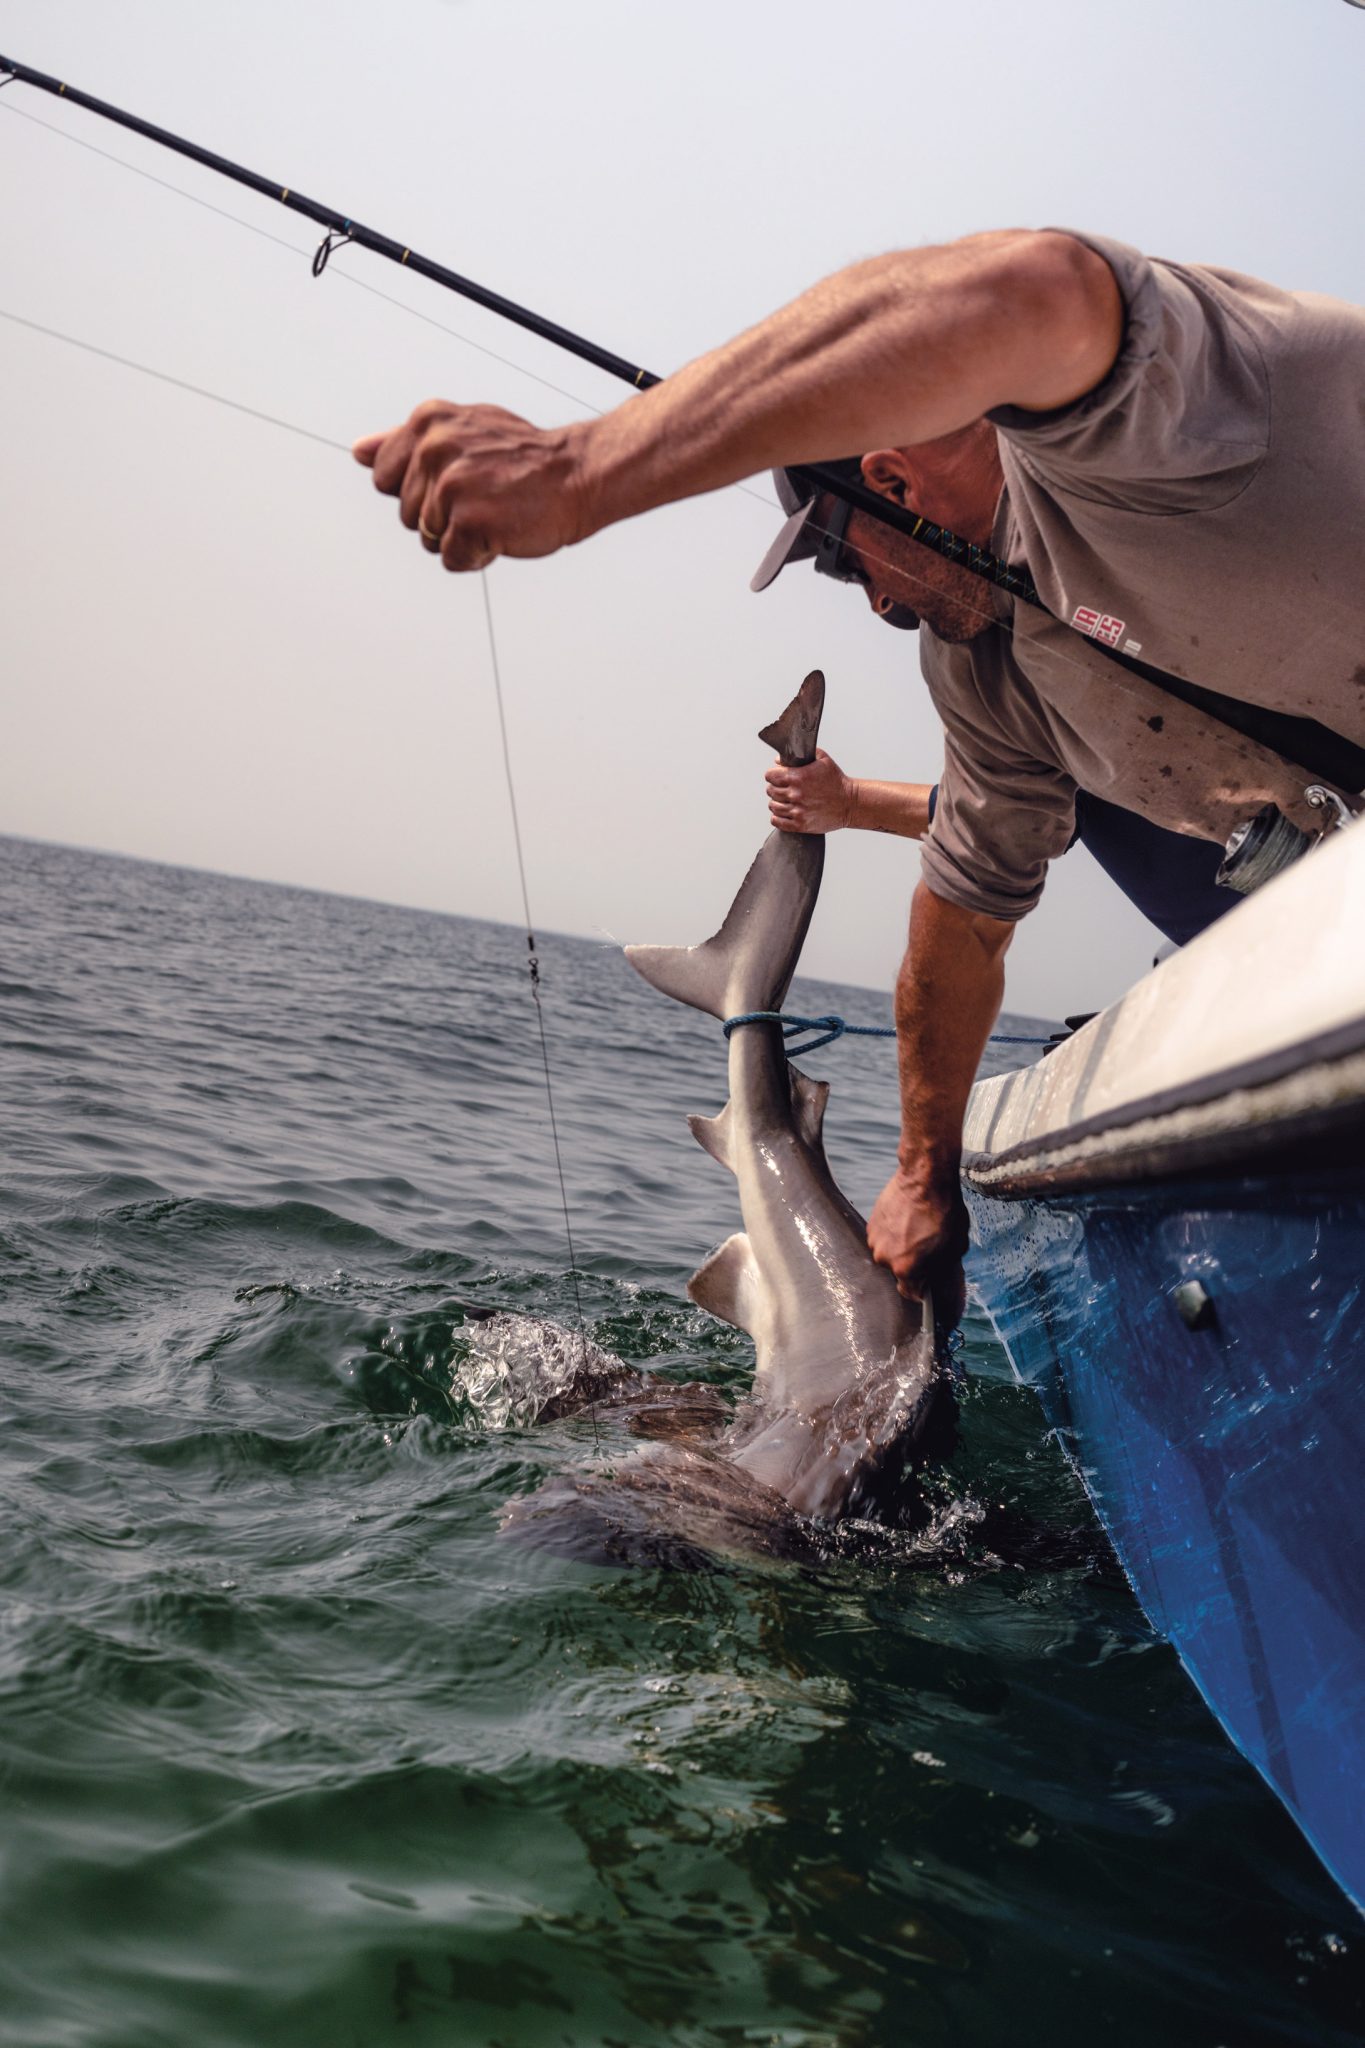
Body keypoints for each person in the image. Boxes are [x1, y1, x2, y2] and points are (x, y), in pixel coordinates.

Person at [353, 228, 1365, 1307]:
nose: (878, 604)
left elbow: (1036, 289)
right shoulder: (984, 664)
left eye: (844, 560)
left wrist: (583, 469)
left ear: (890, 479)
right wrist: (923, 1173)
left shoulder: (1127, 439)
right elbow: (968, 911)